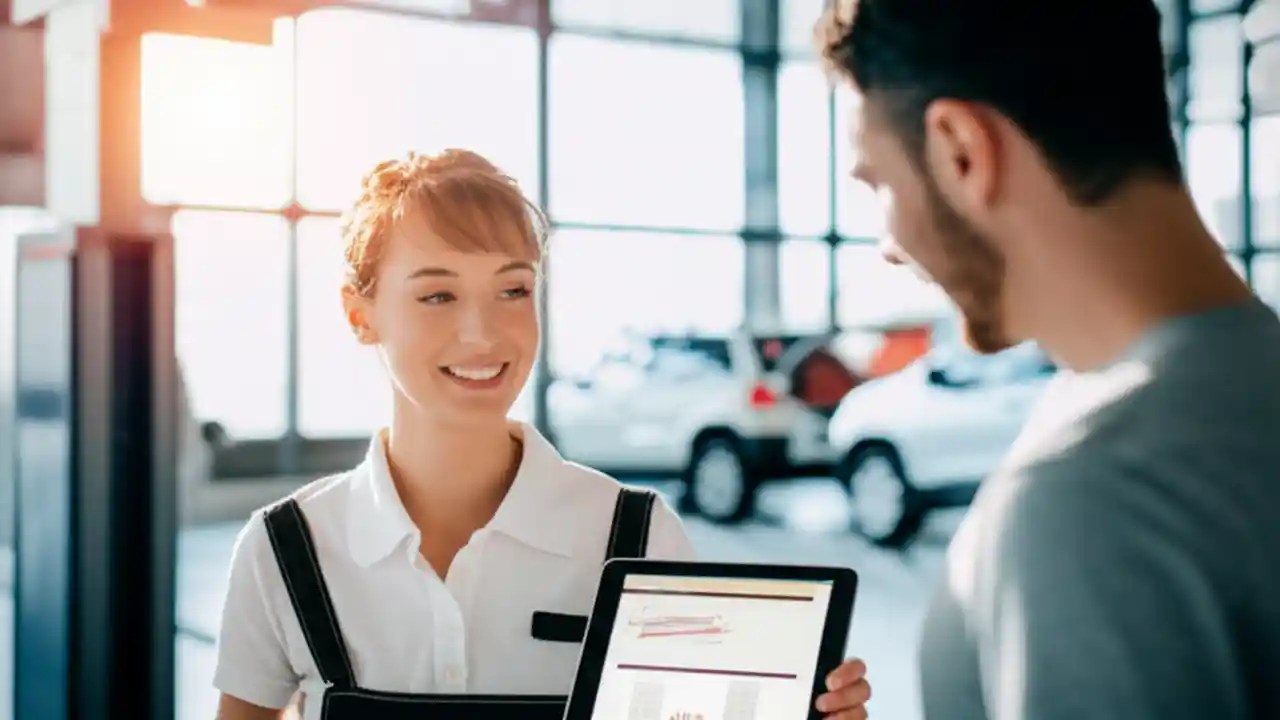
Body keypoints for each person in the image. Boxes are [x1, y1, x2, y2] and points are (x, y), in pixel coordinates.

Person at [213, 149, 873, 720]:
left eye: (513, 290)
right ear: (360, 315)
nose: (484, 334)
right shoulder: (285, 549)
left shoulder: (638, 536)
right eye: (438, 296)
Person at [816, 1, 1280, 718]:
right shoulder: (1241, 383)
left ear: (961, 150)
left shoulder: (1094, 494)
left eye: (878, 183)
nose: (889, 246)